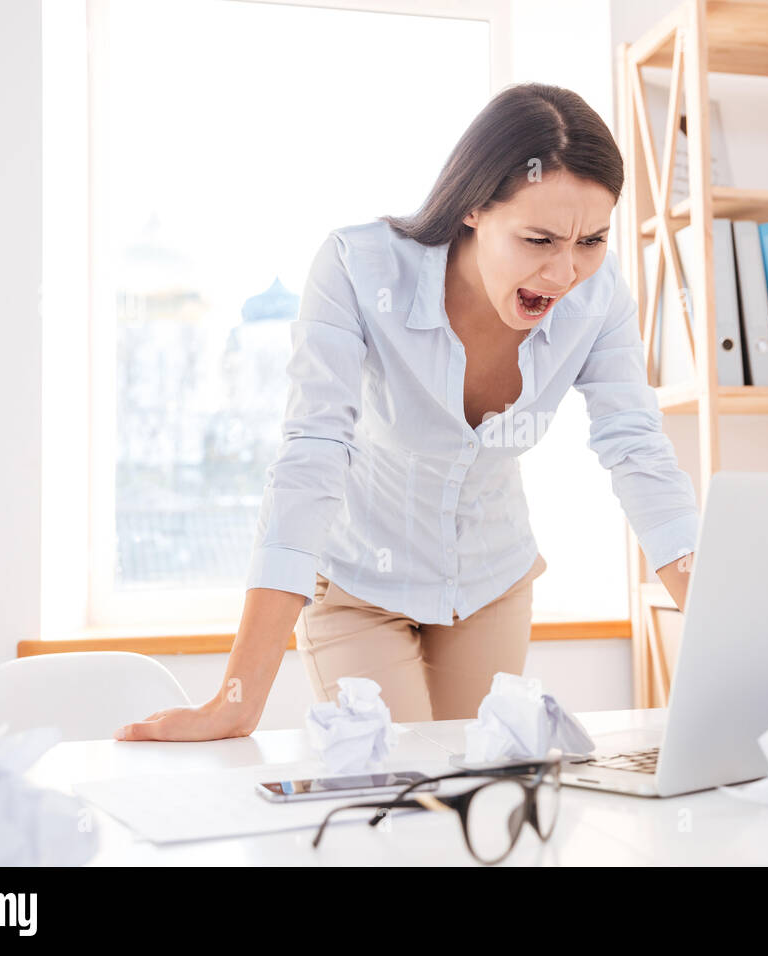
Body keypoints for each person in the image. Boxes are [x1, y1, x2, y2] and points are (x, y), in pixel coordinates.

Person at [115, 82, 698, 741]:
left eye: (591, 240)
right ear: (475, 208)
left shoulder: (601, 299)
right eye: (539, 240)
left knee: (477, 795)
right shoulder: (358, 269)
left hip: (491, 582)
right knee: (399, 794)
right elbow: (312, 455)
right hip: (360, 582)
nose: (566, 274)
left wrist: (718, 643)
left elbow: (638, 449)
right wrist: (235, 699)